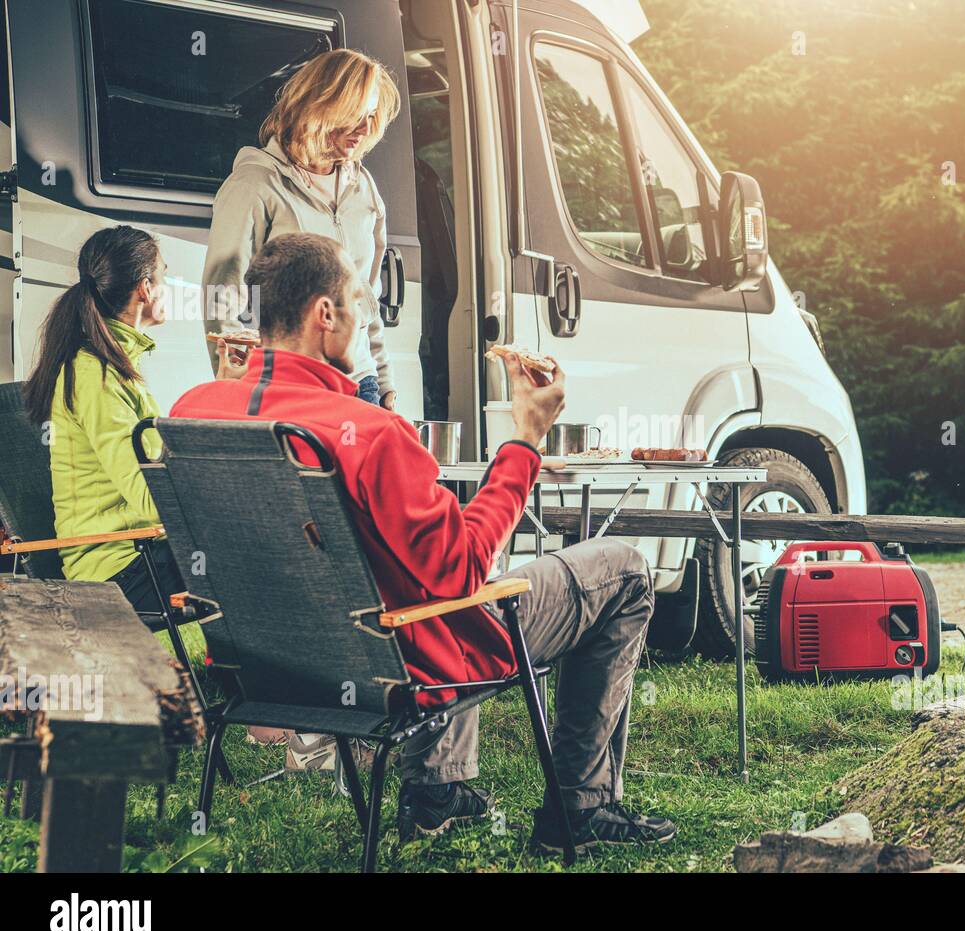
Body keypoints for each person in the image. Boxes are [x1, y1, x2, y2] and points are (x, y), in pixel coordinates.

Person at [172, 232, 676, 854]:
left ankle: (441, 789)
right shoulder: (372, 433)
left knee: (410, 570)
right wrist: (524, 443)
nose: (362, 323)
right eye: (357, 303)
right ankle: (582, 806)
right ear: (323, 315)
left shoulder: (192, 411)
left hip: (266, 671)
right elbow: (462, 572)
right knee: (623, 568)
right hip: (406, 664)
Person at [23, 226, 240, 609]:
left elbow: (155, 461)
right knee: (257, 553)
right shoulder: (98, 377)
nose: (169, 286)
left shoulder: (113, 364)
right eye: (164, 275)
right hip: (119, 571)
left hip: (141, 552)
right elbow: (155, 499)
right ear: (145, 288)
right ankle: (237, 667)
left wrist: (221, 390)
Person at [203, 48, 400, 409]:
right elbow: (222, 292)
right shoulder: (254, 184)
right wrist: (237, 385)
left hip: (360, 383)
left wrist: (383, 381)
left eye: (372, 116)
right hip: (287, 384)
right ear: (321, 104)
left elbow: (365, 296)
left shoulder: (363, 187)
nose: (365, 129)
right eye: (356, 115)